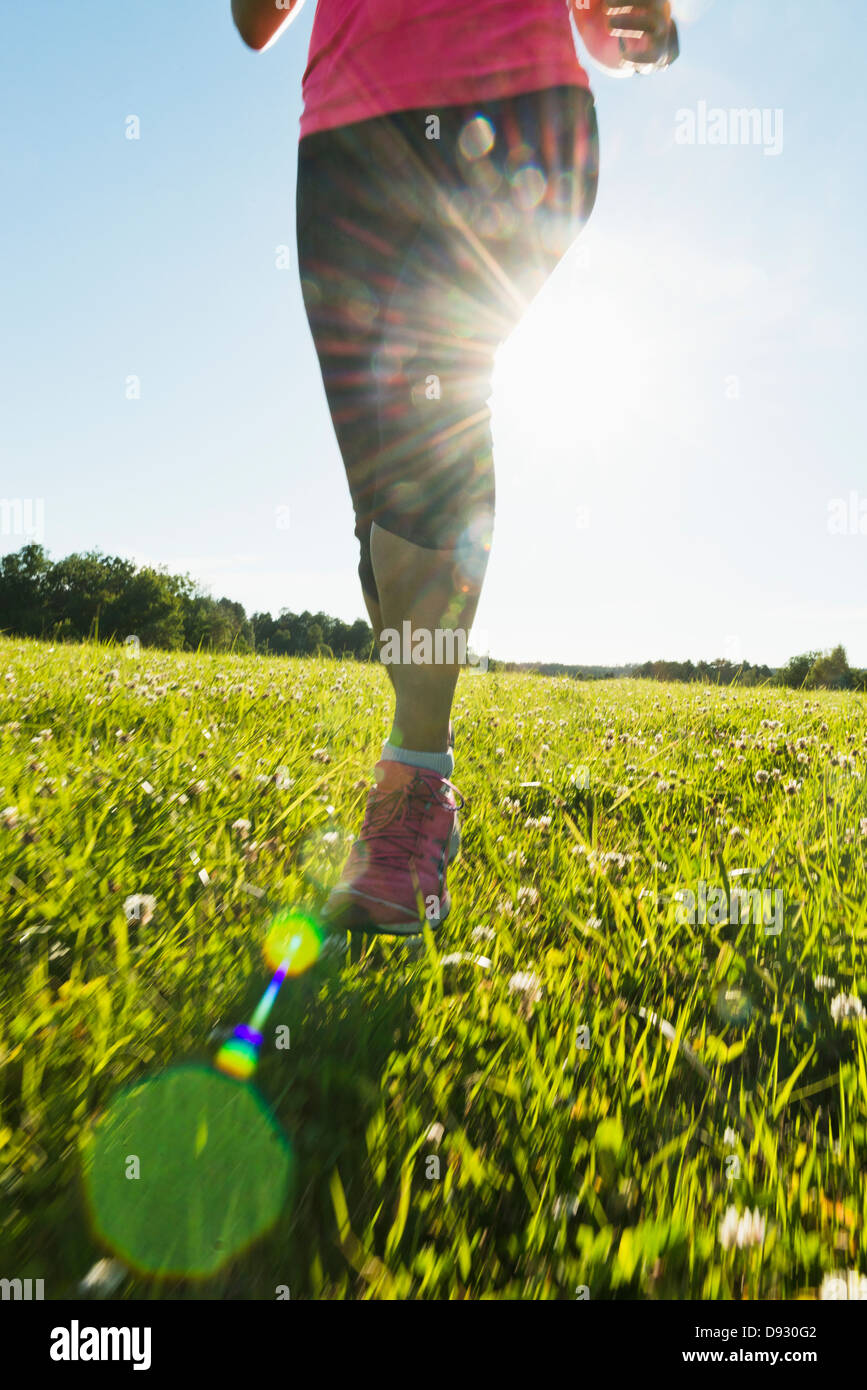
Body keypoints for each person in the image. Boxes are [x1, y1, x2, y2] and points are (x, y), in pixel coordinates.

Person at [231, 0, 679, 934]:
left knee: (430, 380)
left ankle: (413, 787)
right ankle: (416, 782)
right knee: (381, 498)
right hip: (348, 137)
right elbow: (254, 19)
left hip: (519, 112)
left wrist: (648, 20)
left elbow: (622, 27)